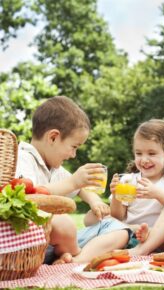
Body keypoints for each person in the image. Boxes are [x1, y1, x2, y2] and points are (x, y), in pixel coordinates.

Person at [16, 96, 131, 263]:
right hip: (30, 244)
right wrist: (73, 182)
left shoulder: (54, 168)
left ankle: (71, 258)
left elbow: (80, 188)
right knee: (64, 223)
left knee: (119, 229)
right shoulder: (22, 158)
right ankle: (75, 256)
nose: (73, 155)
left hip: (56, 244)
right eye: (74, 147)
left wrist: (95, 201)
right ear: (53, 137)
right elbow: (30, 194)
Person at [86, 119, 164, 255]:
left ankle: (142, 249)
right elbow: (118, 215)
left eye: (152, 153)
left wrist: (157, 194)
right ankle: (107, 244)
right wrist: (117, 197)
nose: (144, 159)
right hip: (130, 235)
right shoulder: (129, 180)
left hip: (161, 238)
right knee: (91, 217)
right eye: (139, 153)